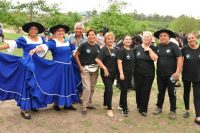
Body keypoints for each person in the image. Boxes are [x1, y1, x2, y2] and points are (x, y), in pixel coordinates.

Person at [0, 22, 46, 119]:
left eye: (35, 29)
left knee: (36, 85)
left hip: (38, 66)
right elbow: (12, 44)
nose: (33, 30)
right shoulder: (24, 39)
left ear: (38, 31)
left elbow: (45, 48)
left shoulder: (42, 39)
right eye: (31, 29)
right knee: (26, 86)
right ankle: (24, 109)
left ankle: (34, 105)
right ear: (28, 30)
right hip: (27, 66)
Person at [29, 24, 78, 111]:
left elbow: (74, 50)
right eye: (58, 31)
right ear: (55, 32)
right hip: (58, 68)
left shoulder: (67, 41)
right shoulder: (53, 42)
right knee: (58, 85)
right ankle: (56, 104)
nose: (61, 32)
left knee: (68, 84)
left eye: (62, 31)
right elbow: (44, 47)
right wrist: (35, 50)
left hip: (68, 68)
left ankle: (68, 103)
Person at [153, 28, 182, 119]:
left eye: (165, 35)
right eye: (161, 36)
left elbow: (180, 59)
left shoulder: (174, 46)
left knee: (171, 92)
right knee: (160, 92)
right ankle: (159, 107)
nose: (163, 37)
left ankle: (173, 110)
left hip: (172, 75)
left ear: (169, 37)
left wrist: (177, 73)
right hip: (160, 75)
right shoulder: (158, 47)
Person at [75, 29, 100, 114]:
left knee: (92, 87)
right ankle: (84, 106)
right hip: (85, 68)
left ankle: (89, 102)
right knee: (87, 88)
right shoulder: (83, 45)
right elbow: (76, 55)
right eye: (90, 35)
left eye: (93, 34)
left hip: (95, 69)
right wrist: (80, 66)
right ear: (87, 36)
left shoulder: (97, 46)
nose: (91, 36)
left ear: (95, 36)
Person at [133, 31, 158, 117]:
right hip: (137, 73)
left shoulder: (154, 48)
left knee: (146, 91)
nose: (146, 38)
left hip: (149, 74)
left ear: (151, 39)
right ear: (142, 38)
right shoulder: (136, 48)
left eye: (148, 37)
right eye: (145, 36)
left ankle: (143, 109)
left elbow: (155, 59)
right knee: (138, 90)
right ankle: (139, 105)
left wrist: (149, 50)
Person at [95, 32, 117, 117]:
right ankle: (109, 108)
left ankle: (105, 103)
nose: (110, 40)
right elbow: (97, 59)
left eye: (112, 38)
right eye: (108, 39)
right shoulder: (103, 49)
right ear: (105, 40)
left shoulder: (115, 49)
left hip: (113, 73)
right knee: (110, 90)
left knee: (108, 89)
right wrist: (104, 68)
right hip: (106, 74)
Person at [181, 32, 200, 125]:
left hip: (198, 76)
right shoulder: (184, 48)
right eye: (189, 39)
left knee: (197, 96)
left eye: (192, 38)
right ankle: (187, 110)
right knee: (186, 93)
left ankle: (198, 116)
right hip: (186, 75)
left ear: (196, 38)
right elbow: (180, 60)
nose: (190, 40)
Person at [117, 35, 135, 117]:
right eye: (126, 39)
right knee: (124, 91)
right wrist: (121, 73)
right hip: (123, 74)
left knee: (125, 90)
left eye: (129, 39)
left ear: (131, 41)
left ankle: (121, 105)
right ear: (123, 41)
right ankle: (124, 109)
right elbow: (119, 62)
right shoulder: (121, 51)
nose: (128, 40)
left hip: (129, 74)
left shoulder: (131, 50)